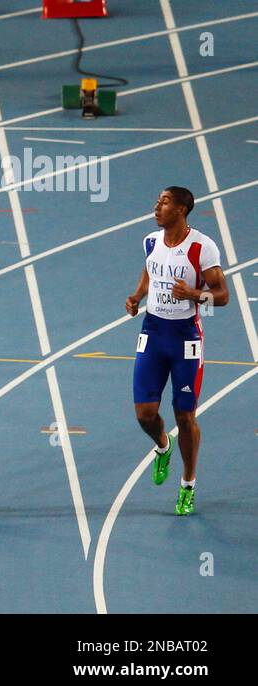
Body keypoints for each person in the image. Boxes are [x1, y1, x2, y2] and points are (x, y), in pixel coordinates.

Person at [125, 187, 228, 516]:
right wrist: (137, 296)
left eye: (165, 202)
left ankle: (187, 484)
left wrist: (194, 294)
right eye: (157, 201)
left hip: (185, 338)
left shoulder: (202, 247)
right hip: (153, 332)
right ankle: (162, 446)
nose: (157, 207)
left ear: (182, 210)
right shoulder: (150, 242)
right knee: (144, 414)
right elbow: (150, 271)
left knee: (185, 416)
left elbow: (222, 296)